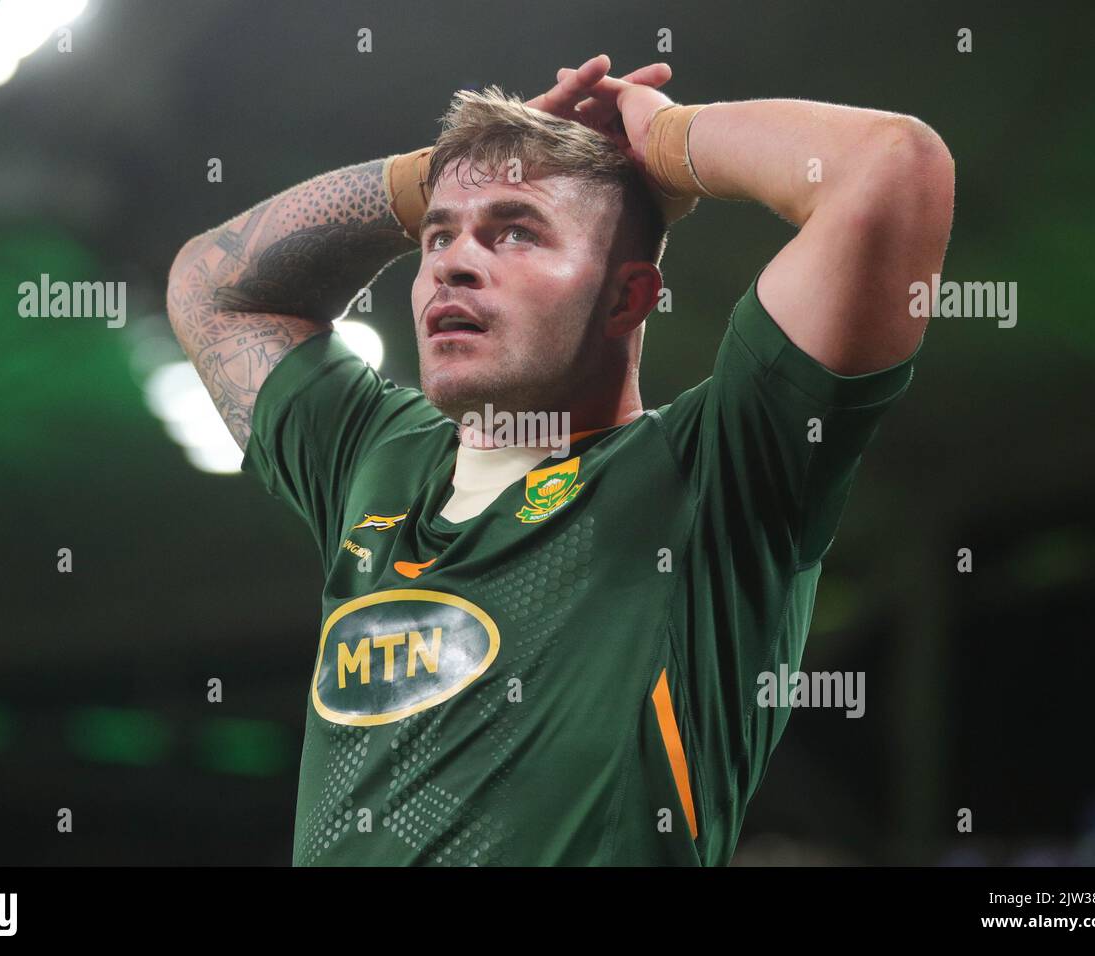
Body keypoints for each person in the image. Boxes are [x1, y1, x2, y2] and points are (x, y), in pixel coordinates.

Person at [165, 54, 954, 865]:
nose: (451, 262)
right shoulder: (373, 457)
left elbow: (892, 169)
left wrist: (669, 138)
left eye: (515, 230)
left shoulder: (717, 474)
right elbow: (209, 286)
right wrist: (432, 176)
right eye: (438, 235)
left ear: (627, 296)